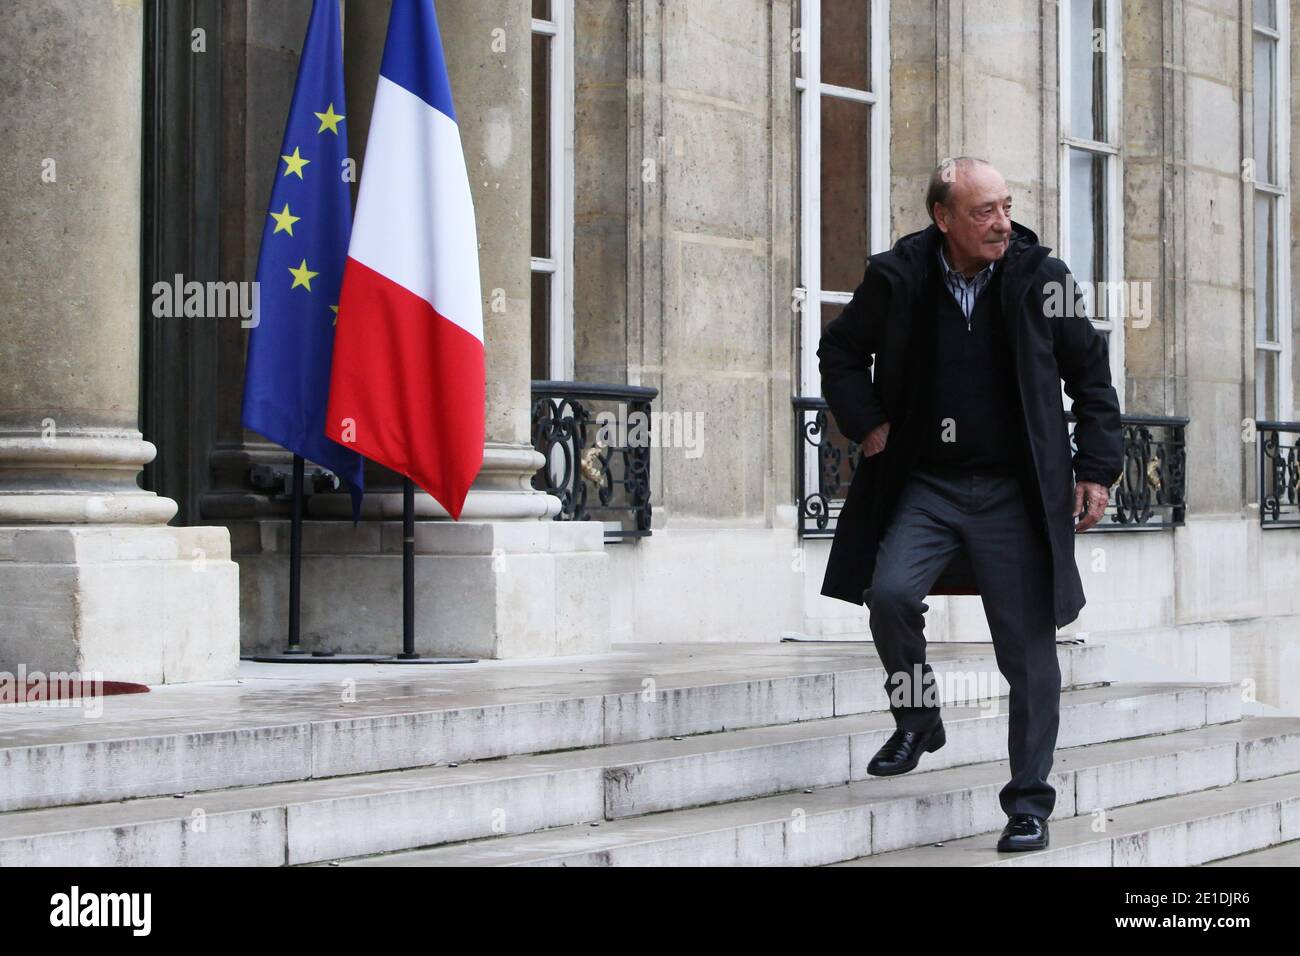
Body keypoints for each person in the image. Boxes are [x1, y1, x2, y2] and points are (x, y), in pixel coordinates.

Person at [816, 157, 1123, 851]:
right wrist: (866, 422)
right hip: (926, 484)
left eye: (1006, 206)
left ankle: (1028, 803)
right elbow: (838, 351)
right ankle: (919, 717)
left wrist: (1098, 468)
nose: (1001, 222)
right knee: (889, 594)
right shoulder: (899, 277)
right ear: (943, 217)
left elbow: (1092, 377)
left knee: (1027, 654)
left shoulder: (1045, 279)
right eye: (983, 211)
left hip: (1015, 492)